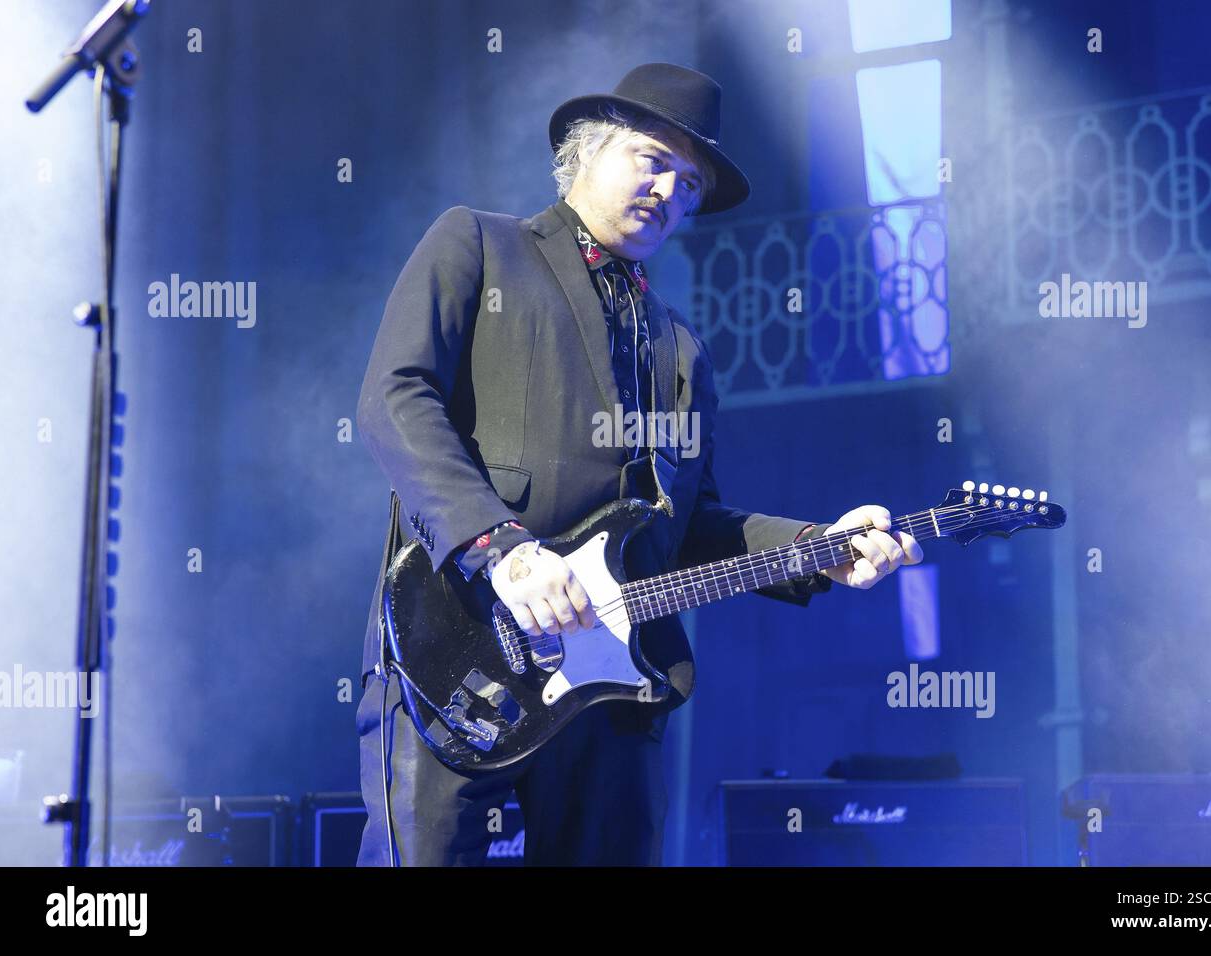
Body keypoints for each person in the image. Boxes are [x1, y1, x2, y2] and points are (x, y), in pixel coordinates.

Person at [353, 62, 923, 867]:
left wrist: (820, 547)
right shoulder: (480, 244)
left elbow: (686, 529)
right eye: (651, 159)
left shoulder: (681, 347)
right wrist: (503, 548)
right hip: (458, 646)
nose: (669, 190)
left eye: (689, 183)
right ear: (584, 151)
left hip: (613, 684)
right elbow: (393, 398)